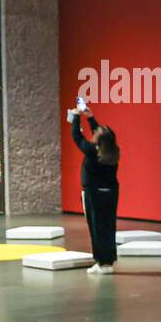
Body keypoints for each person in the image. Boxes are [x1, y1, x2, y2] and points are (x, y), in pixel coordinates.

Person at [69, 105, 120, 275]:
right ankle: (108, 261)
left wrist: (76, 117)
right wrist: (90, 118)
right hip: (110, 193)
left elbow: (77, 136)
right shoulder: (113, 150)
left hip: (94, 193)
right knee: (108, 226)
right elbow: (102, 136)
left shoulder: (92, 151)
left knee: (96, 228)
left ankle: (101, 262)